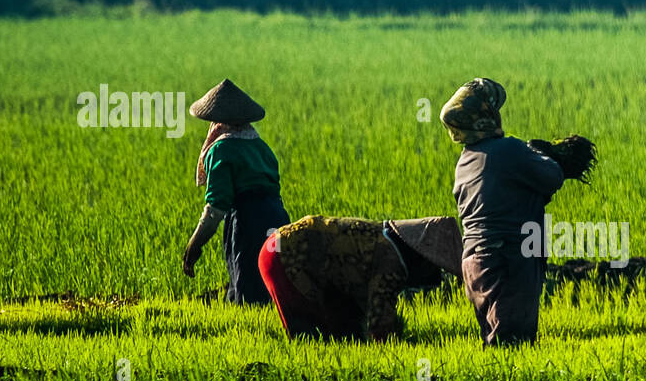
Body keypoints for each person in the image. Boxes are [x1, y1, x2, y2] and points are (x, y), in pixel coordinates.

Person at [442, 77, 565, 346]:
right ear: (485, 116)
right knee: (513, 345)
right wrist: (539, 154)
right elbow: (552, 176)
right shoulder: (509, 150)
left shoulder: (464, 161)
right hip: (507, 260)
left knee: (494, 342)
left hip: (474, 264)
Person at [257, 215, 462, 341]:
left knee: (341, 329)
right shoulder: (391, 262)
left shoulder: (380, 237)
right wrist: (397, 345)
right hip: (286, 256)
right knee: (310, 335)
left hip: (275, 246)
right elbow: (380, 323)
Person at [182, 79, 290, 304]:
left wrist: (195, 244)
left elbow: (216, 207)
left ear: (216, 122)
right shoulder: (262, 148)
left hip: (247, 224)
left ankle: (250, 327)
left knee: (246, 289)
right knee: (274, 279)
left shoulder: (221, 150)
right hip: (277, 224)